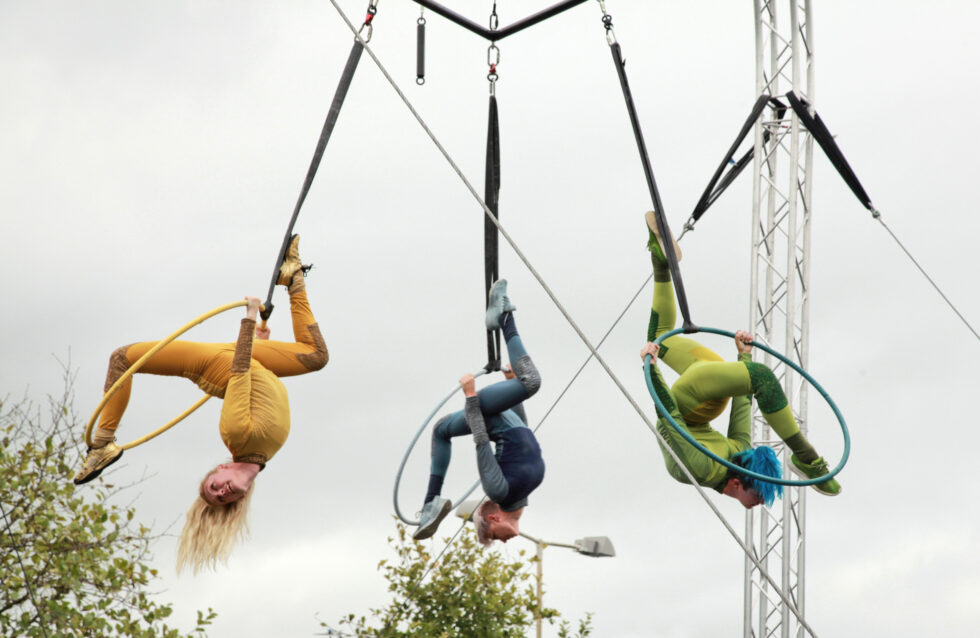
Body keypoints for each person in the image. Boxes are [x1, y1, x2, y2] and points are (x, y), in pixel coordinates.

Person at [73, 235, 328, 571]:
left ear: (218, 470)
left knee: (122, 358)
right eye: (224, 497)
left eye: (212, 487)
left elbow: (238, 374)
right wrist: (255, 336)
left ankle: (102, 444)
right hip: (252, 362)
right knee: (316, 356)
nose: (221, 491)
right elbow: (261, 388)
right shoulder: (267, 452)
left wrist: (250, 321)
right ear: (239, 498)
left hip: (217, 365)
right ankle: (292, 276)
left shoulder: (237, 436)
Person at [640, 211, 840, 508]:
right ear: (738, 484)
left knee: (662, 336)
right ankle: (807, 457)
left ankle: (660, 259)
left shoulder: (701, 469)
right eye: (759, 496)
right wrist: (743, 358)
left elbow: (668, 419)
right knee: (755, 376)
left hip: (687, 404)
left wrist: (653, 369)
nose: (762, 502)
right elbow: (744, 403)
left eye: (761, 496)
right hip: (700, 398)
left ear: (735, 484)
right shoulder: (735, 455)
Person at [413, 279, 544, 545]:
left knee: (531, 381)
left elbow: (481, 440)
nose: (504, 542)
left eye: (495, 538)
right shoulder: (525, 491)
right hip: (501, 415)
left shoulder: (498, 490)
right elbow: (523, 430)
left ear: (494, 519)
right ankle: (430, 504)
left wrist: (471, 396)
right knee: (440, 429)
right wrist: (509, 383)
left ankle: (504, 317)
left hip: (484, 413)